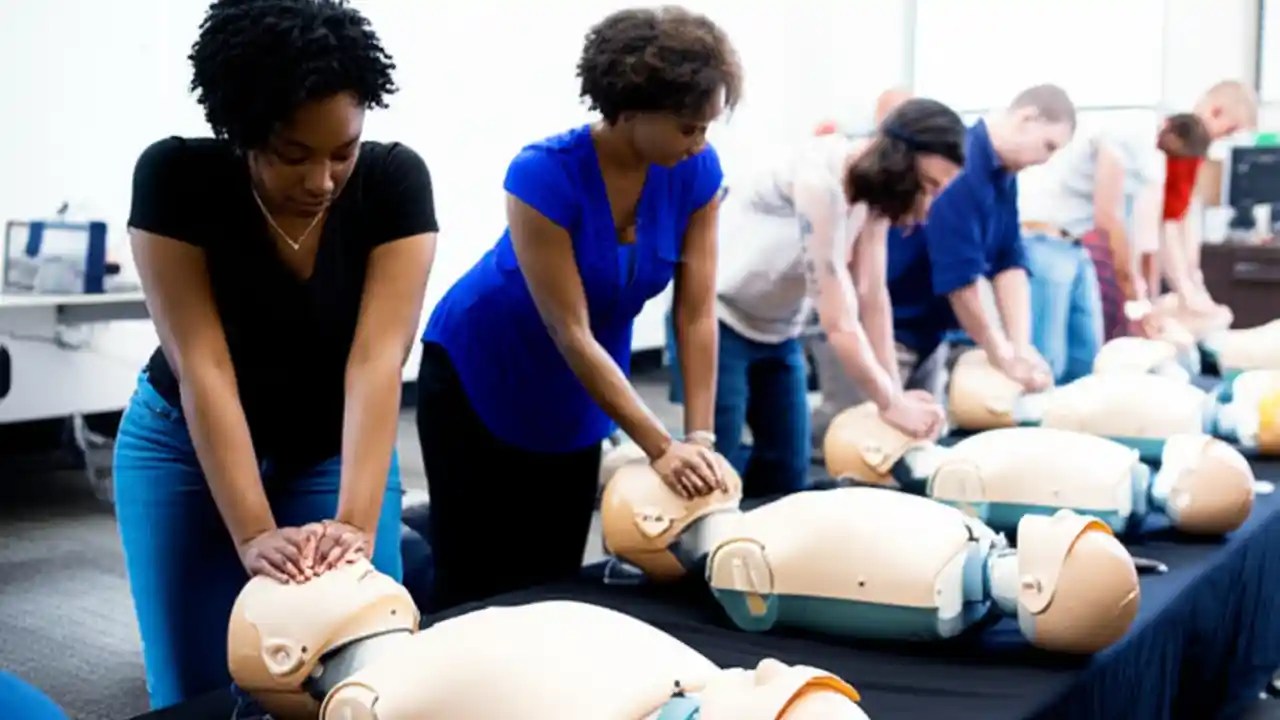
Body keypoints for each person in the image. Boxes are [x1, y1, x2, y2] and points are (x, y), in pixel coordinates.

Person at [114, 0, 437, 709]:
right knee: (199, 688)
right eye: (294, 155)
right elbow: (205, 365)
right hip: (182, 447)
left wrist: (353, 523)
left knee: (360, 665)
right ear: (242, 134)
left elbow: (376, 362)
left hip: (329, 449)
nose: (322, 180)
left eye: (342, 152)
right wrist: (255, 532)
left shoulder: (393, 185)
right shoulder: (175, 179)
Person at [417, 6, 741, 612]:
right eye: (688, 125)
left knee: (554, 575)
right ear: (633, 107)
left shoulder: (696, 171)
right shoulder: (542, 173)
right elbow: (567, 330)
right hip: (483, 369)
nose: (700, 140)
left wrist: (700, 436)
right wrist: (659, 447)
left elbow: (695, 313)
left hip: (584, 386)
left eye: (706, 127)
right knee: (473, 577)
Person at [669, 98, 967, 498]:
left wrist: (894, 393)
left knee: (787, 469)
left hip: (779, 333)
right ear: (903, 160)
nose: (927, 205)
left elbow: (872, 295)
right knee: (713, 462)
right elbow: (839, 319)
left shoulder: (872, 198)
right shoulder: (818, 179)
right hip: (720, 321)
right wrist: (890, 404)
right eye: (928, 187)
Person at [813, 85, 1077, 442]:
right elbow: (958, 278)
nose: (1047, 159)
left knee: (914, 442)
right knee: (856, 444)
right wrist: (1001, 354)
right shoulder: (955, 164)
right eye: (1048, 145)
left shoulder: (1003, 176)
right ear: (1026, 118)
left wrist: (1020, 347)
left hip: (926, 335)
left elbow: (1009, 259)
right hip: (881, 329)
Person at [1019, 80, 1257, 340]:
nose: (1223, 138)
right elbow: (1120, 222)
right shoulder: (1137, 136)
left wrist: (1181, 286)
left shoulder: (1166, 147)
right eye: (1229, 130)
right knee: (1058, 349)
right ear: (1216, 111)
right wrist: (1142, 294)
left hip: (1074, 242)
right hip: (1047, 238)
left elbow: (1167, 221)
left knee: (1085, 349)